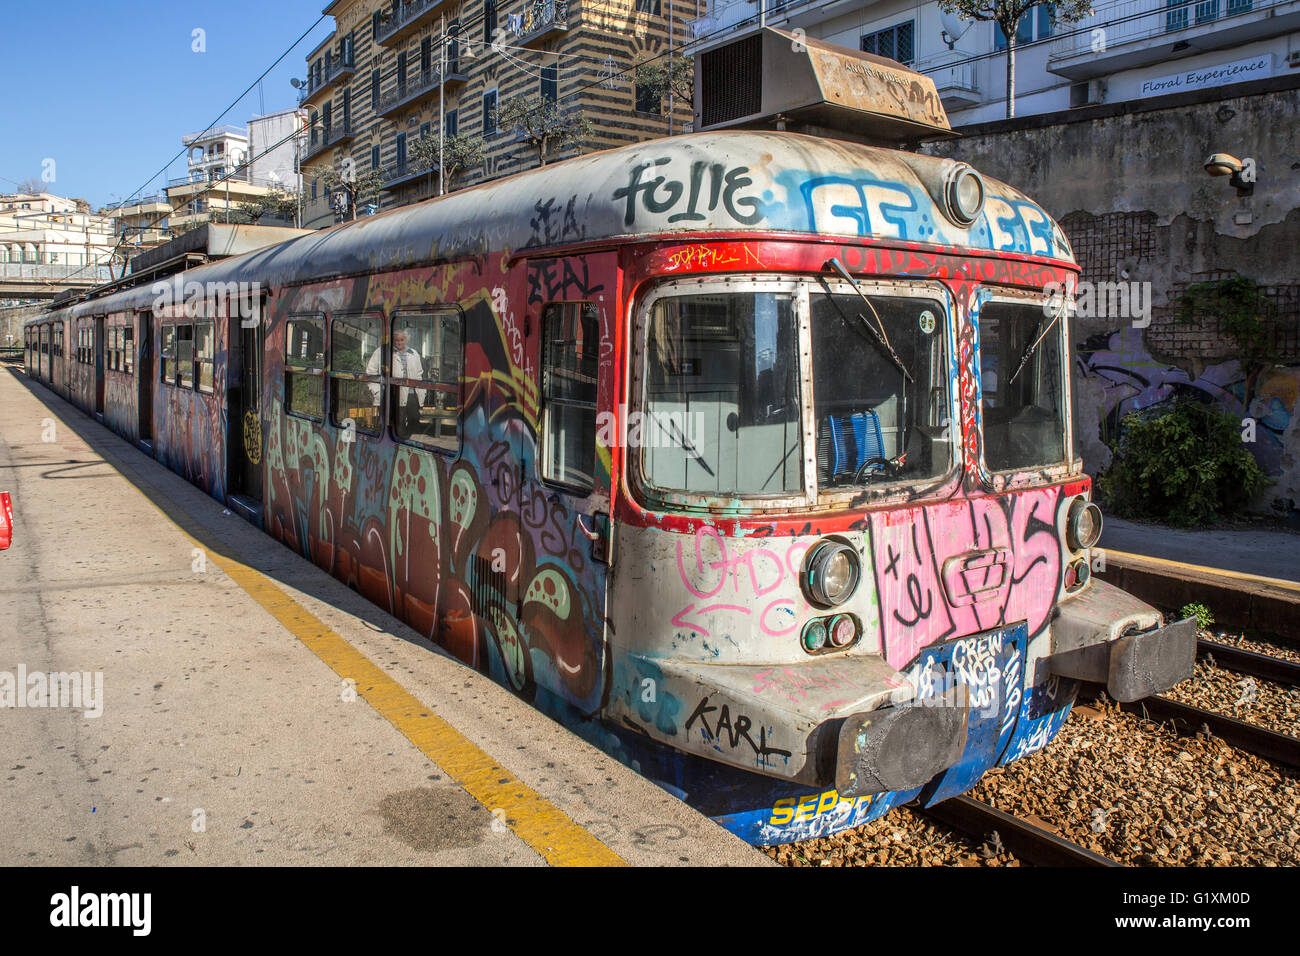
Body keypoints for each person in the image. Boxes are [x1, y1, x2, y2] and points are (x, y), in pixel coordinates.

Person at [367, 329, 426, 435]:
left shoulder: (413, 353)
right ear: (392, 340)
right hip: (392, 395)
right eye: (396, 340)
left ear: (406, 340)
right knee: (398, 424)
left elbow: (419, 375)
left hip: (412, 395)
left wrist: (422, 394)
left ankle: (407, 443)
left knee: (414, 420)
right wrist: (377, 392)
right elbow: (370, 373)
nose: (399, 342)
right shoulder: (381, 352)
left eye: (402, 340)